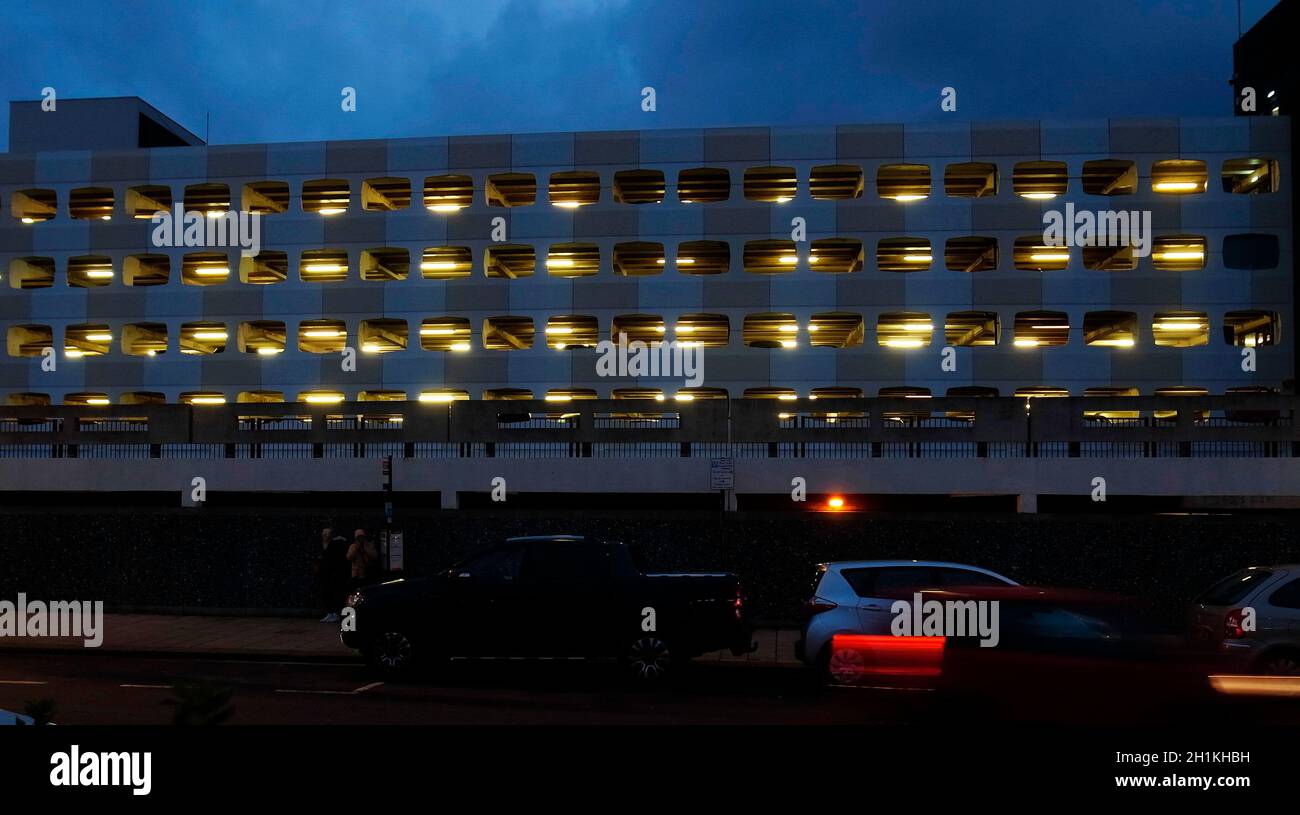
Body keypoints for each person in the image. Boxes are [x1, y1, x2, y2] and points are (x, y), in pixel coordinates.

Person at [317, 527, 350, 623]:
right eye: (324, 533)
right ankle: (330, 613)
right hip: (324, 573)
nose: (324, 535)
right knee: (325, 593)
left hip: (333, 574)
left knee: (333, 593)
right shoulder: (322, 544)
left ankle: (334, 613)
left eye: (326, 533)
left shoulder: (334, 544)